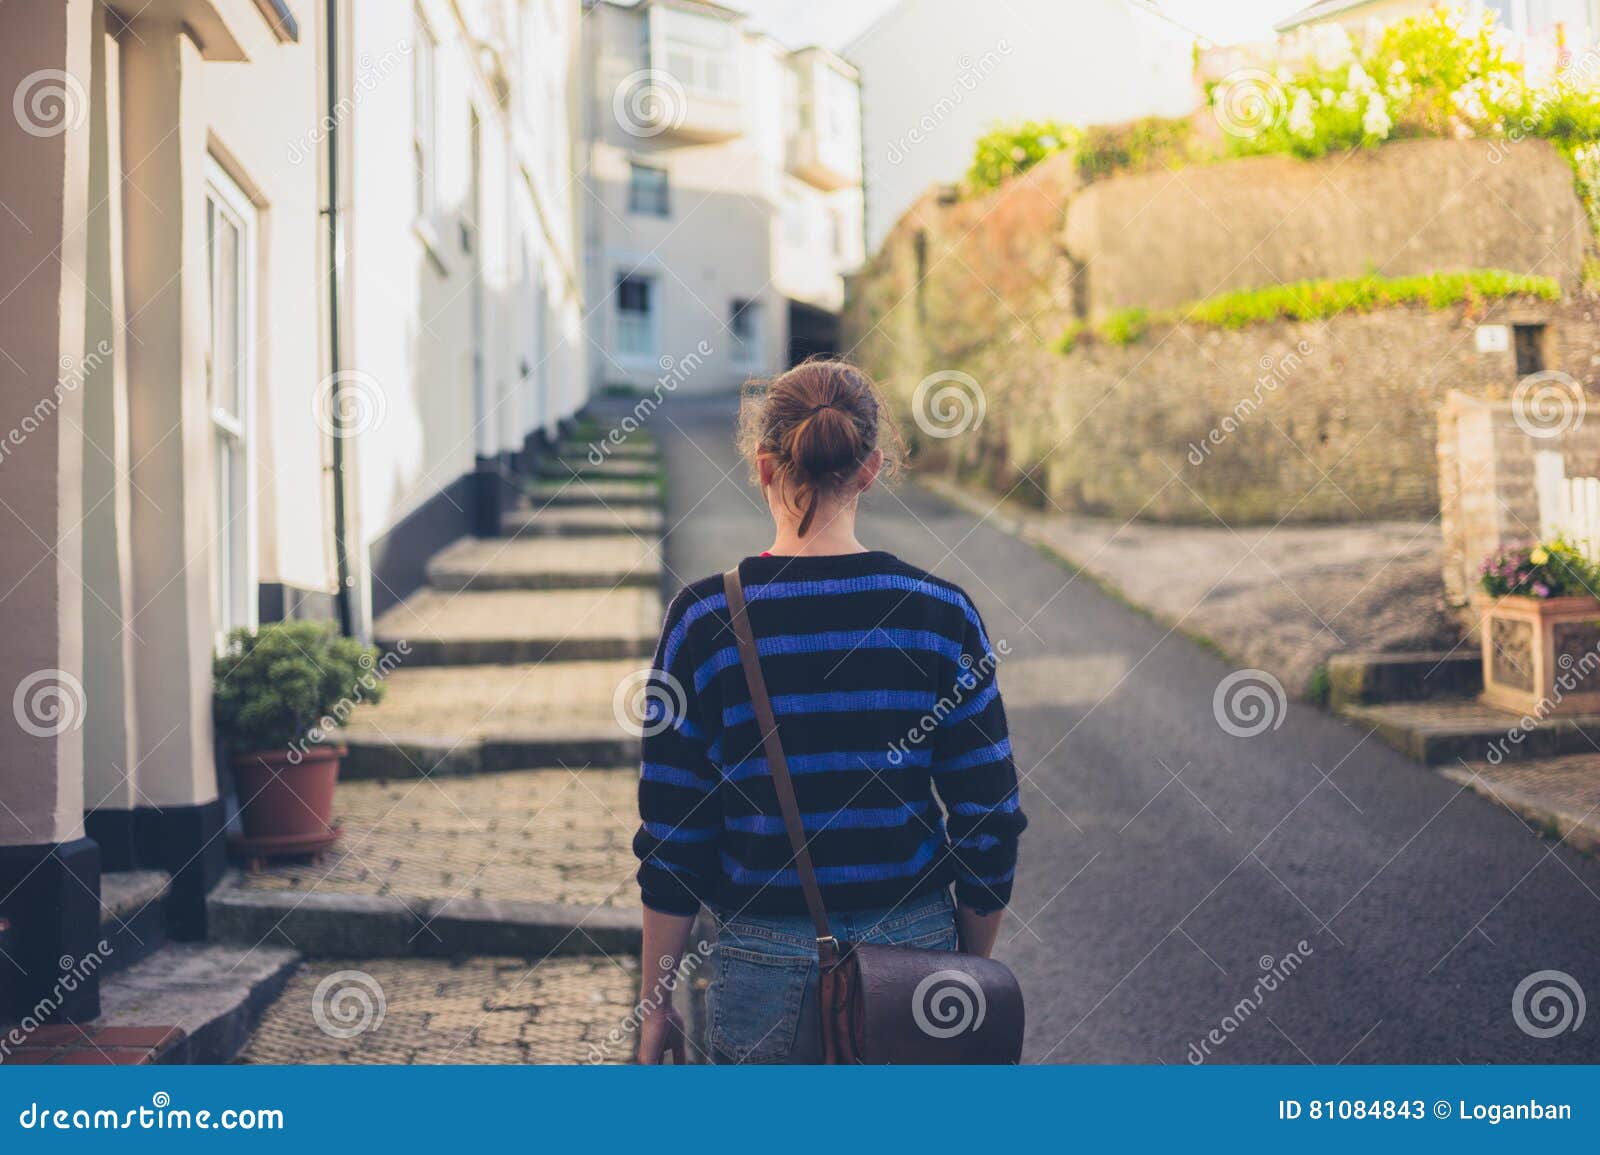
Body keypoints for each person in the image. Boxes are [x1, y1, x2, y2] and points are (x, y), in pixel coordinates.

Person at [632, 360, 1026, 1064]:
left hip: (760, 964)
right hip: (914, 952)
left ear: (763, 466)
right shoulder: (940, 615)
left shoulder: (702, 621)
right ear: (872, 468)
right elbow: (989, 816)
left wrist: (656, 1003)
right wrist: (962, 960)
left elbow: (673, 833)